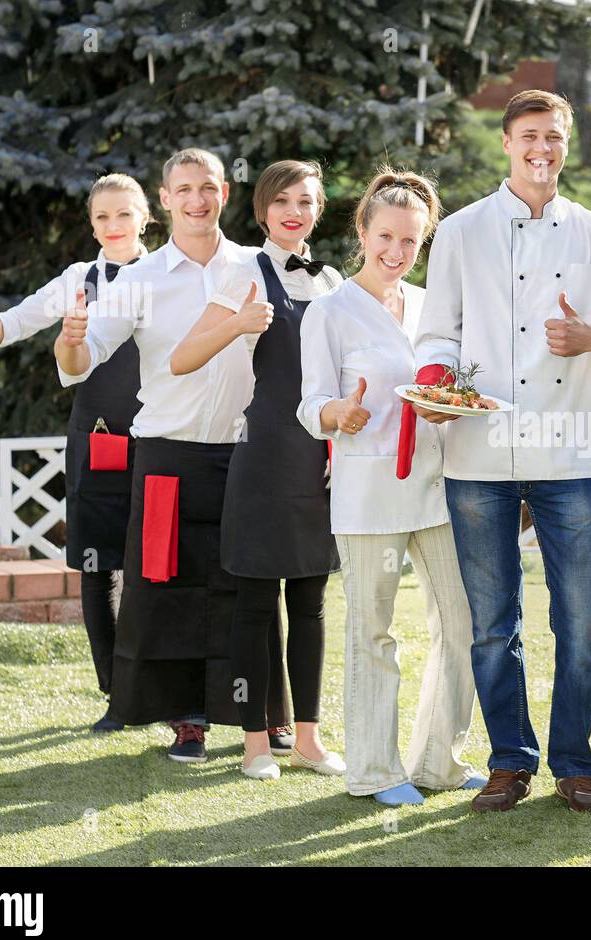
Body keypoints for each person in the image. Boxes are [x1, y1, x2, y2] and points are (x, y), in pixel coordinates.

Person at [411, 90, 591, 813]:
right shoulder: (462, 232)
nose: (543, 149)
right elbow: (437, 332)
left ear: (567, 146)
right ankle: (510, 761)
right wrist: (438, 379)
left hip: (569, 455)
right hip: (480, 451)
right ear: (507, 143)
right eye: (530, 136)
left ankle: (574, 761)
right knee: (492, 621)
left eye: (555, 138)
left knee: (581, 619)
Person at [54, 148, 291, 763]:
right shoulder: (139, 280)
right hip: (165, 454)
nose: (196, 199)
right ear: (164, 200)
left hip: (246, 453)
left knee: (250, 585)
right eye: (183, 189)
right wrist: (71, 342)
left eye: (207, 187)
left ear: (224, 194)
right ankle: (186, 719)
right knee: (167, 585)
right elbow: (81, 360)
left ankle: (261, 714)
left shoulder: (256, 265)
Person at [298, 168, 487, 805]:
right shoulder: (329, 311)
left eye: (411, 241)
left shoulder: (434, 306)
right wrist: (337, 416)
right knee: (372, 631)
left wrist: (455, 405)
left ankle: (440, 761)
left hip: (437, 488)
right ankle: (375, 771)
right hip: (370, 493)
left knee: (459, 623)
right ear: (363, 230)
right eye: (386, 237)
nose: (397, 252)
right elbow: (311, 404)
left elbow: (450, 386)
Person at [171, 160, 345, 780]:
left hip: (319, 456)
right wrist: (238, 326)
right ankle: (252, 745)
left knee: (312, 601)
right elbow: (182, 357)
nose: (293, 211)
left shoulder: (332, 280)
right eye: (282, 201)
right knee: (253, 602)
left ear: (318, 211)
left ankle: (308, 740)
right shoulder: (245, 274)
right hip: (264, 452)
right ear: (264, 210)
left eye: (305, 201)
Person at [0, 173, 151, 732]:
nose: (113, 227)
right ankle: (116, 695)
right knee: (98, 566)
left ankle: (158, 692)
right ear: (91, 224)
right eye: (101, 218)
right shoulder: (77, 279)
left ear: (147, 217)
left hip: (167, 436)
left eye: (123, 215)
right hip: (97, 437)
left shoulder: (172, 273)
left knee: (157, 566)